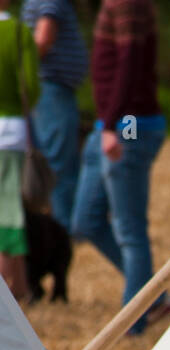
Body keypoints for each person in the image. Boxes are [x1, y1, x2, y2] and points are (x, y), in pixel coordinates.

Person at [70, 0, 170, 333]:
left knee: (130, 232)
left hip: (129, 124)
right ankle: (153, 296)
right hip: (110, 125)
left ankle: (134, 325)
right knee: (85, 222)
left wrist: (115, 126)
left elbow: (129, 66)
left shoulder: (127, 2)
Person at [21, 0, 88, 229]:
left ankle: (59, 225)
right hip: (52, 89)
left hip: (52, 90)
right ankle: (62, 231)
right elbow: (43, 38)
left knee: (57, 162)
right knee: (60, 166)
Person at [0, 9, 39, 299]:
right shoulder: (18, 32)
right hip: (11, 129)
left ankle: (21, 288)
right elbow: (31, 85)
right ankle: (13, 289)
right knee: (9, 211)